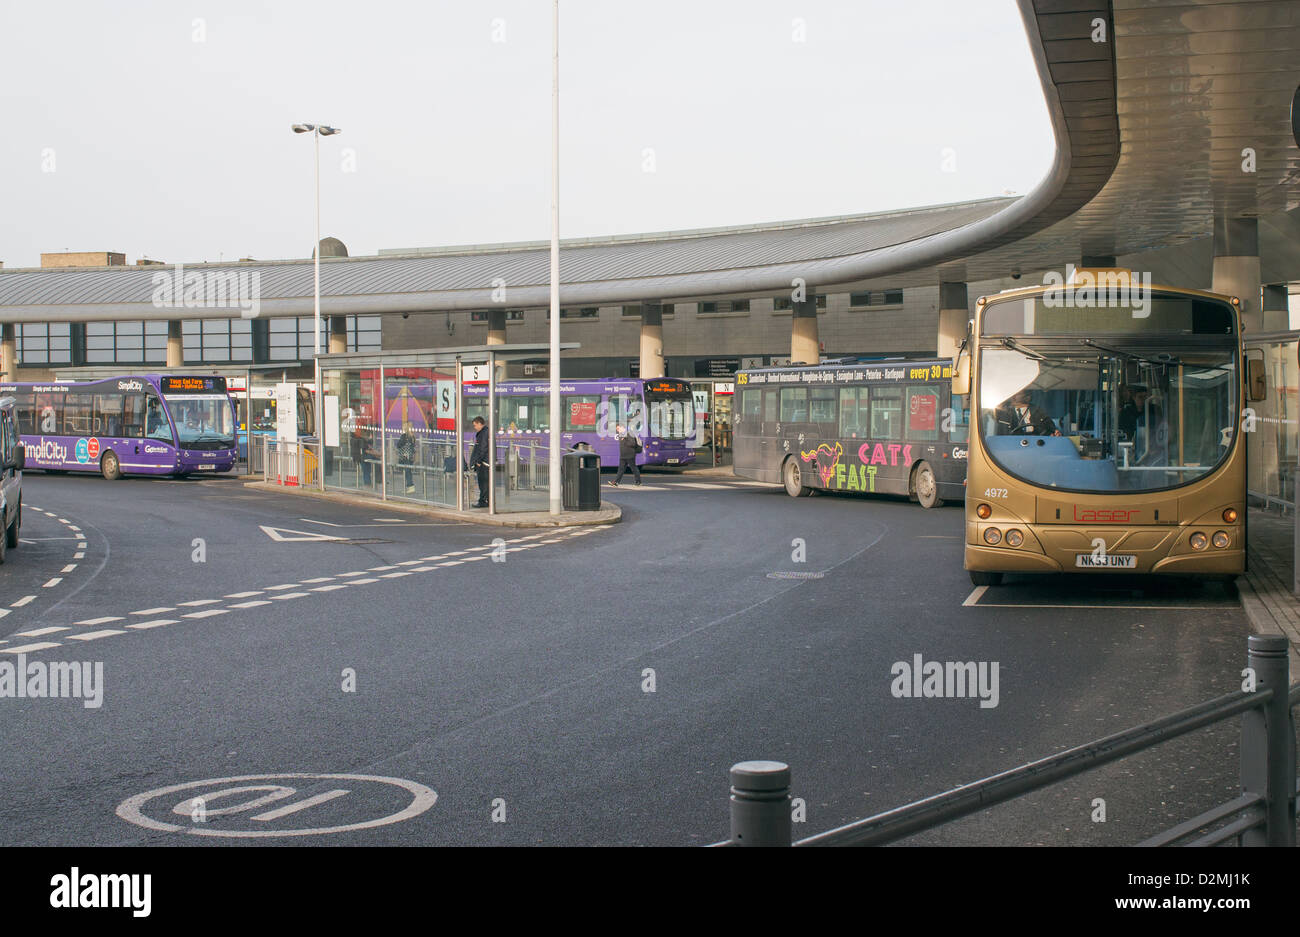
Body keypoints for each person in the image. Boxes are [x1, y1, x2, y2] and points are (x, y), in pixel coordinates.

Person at [995, 389, 1059, 436]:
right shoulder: (1004, 413)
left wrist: (1055, 432)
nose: (1013, 396)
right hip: (1011, 446)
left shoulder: (1039, 412)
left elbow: (1051, 429)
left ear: (1028, 397)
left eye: (1017, 393)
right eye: (1014, 393)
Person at [468, 416, 490, 507]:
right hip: (484, 461)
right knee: (483, 483)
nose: (474, 427)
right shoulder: (484, 432)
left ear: (480, 424)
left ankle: (483, 502)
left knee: (483, 483)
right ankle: (485, 500)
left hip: (483, 463)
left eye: (475, 425)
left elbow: (483, 448)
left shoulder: (483, 433)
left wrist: (478, 461)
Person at [396, 423, 416, 494]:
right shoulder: (412, 436)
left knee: (407, 472)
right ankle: (410, 487)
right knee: (408, 471)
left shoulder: (404, 436)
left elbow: (399, 445)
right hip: (410, 456)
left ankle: (410, 486)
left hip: (404, 456)